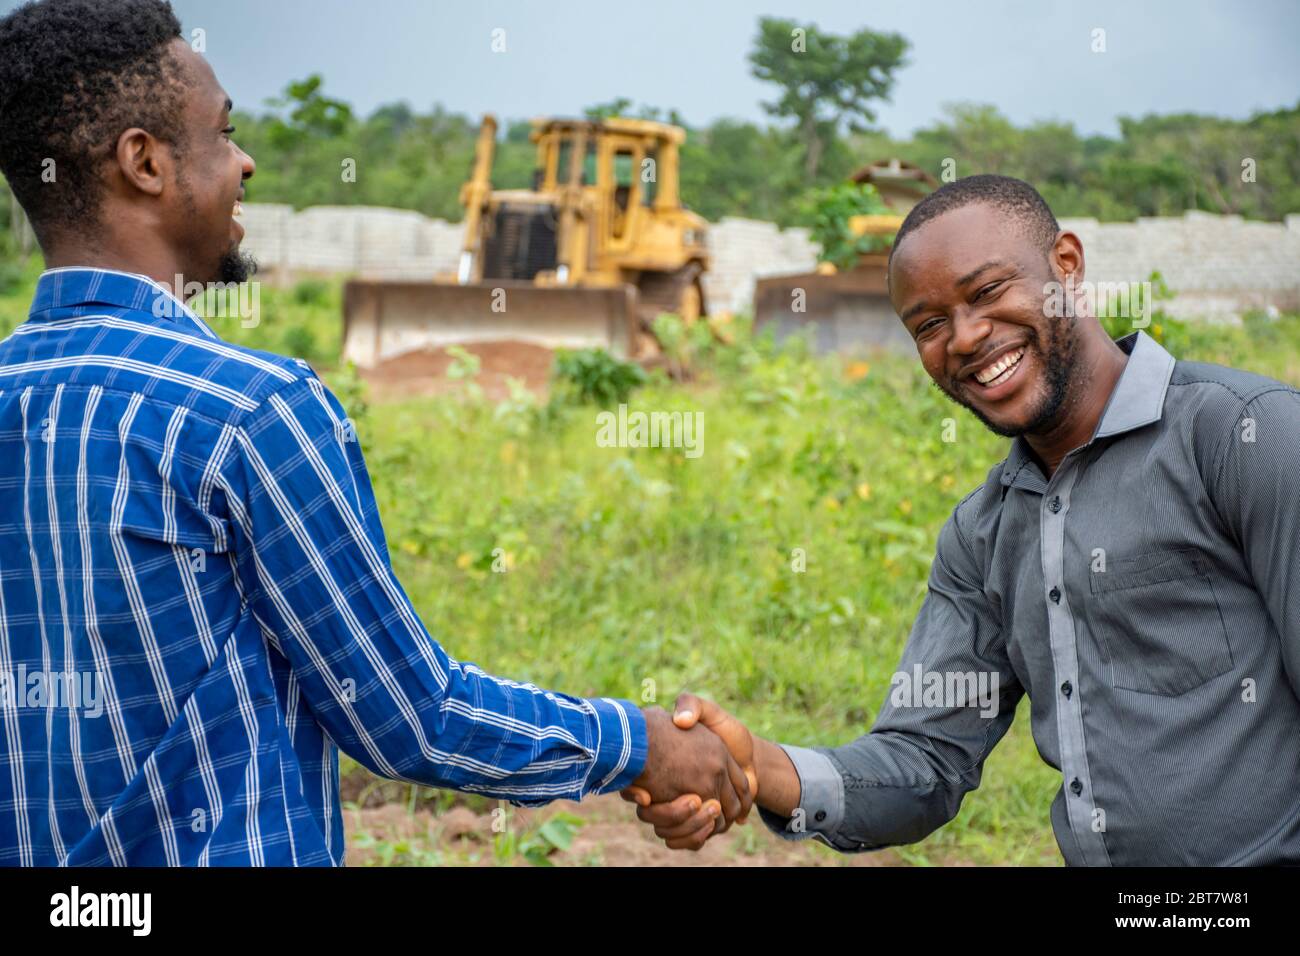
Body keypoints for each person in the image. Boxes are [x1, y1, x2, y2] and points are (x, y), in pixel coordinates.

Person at [0, 0, 751, 866]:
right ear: (144, 162)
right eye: (223, 133)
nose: (245, 163)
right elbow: (408, 714)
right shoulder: (248, 410)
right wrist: (642, 742)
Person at [630, 174, 1300, 865]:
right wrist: (757, 767)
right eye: (929, 325)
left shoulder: (1245, 438)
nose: (967, 338)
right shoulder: (982, 534)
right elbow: (924, 762)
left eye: (986, 293)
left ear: (1065, 266)